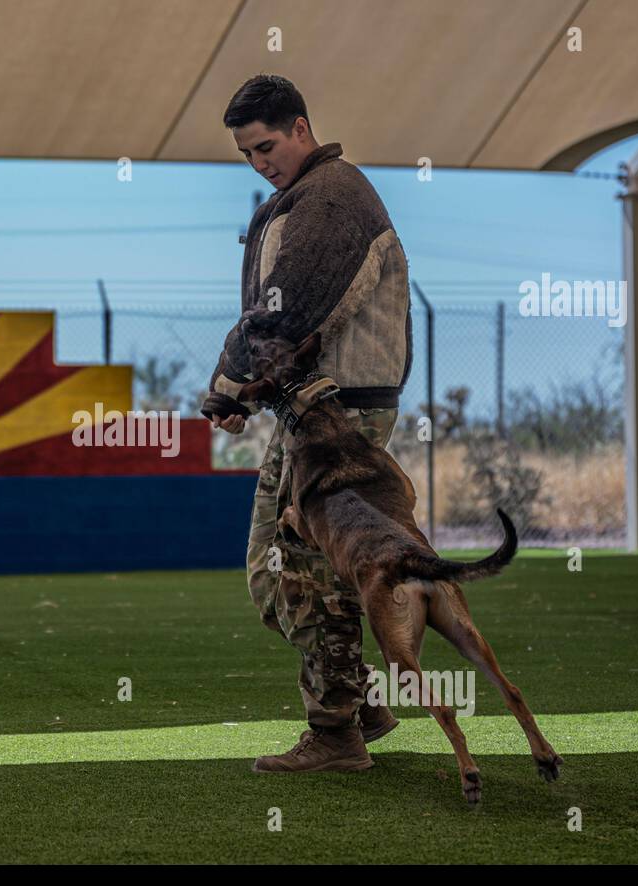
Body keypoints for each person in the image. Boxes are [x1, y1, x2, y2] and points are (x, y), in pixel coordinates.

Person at [200, 75, 414, 773]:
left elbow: (286, 317)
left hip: (338, 416)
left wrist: (228, 386)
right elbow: (285, 323)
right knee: (281, 569)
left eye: (266, 145)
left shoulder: (329, 197)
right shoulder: (311, 197)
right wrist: (247, 388)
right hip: (317, 411)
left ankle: (335, 733)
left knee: (292, 565)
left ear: (300, 127)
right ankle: (357, 704)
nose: (259, 162)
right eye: (246, 154)